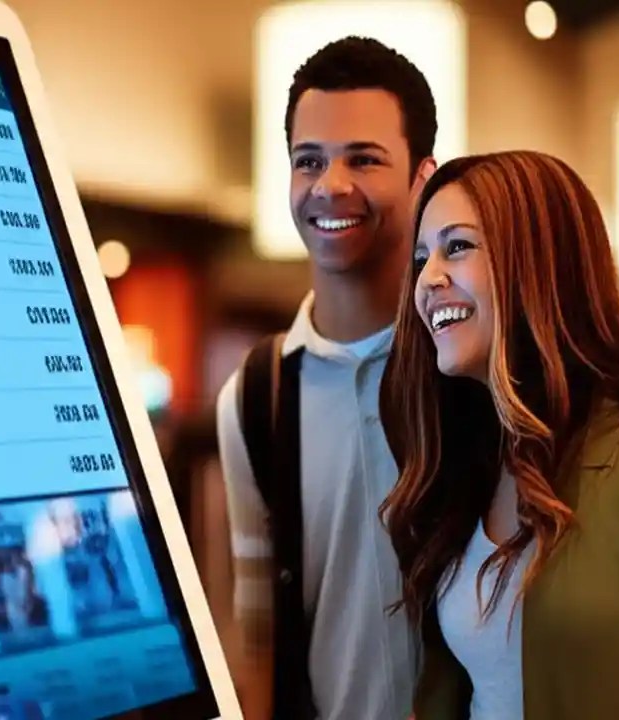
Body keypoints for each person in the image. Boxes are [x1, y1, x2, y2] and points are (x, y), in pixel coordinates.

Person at [380, 150, 619, 719]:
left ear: (541, 264)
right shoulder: (471, 462)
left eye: (457, 247)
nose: (427, 279)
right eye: (421, 257)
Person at [215, 36, 438, 720]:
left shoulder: (465, 365)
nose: (330, 185)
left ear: (423, 179)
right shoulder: (257, 397)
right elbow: (257, 632)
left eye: (364, 159)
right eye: (307, 161)